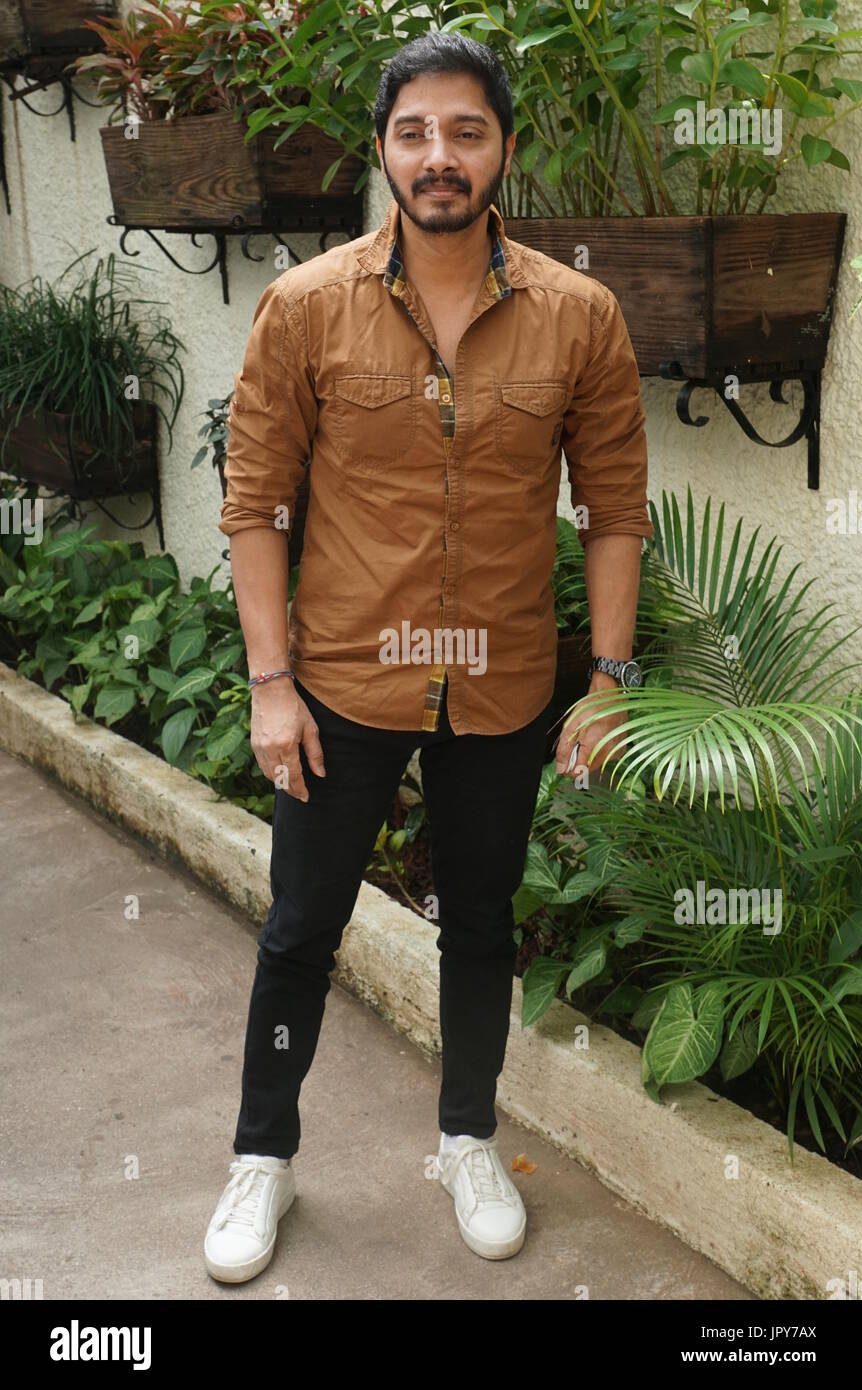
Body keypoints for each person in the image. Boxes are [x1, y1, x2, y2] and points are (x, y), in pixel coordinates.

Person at [204, 29, 653, 1283]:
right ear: (383, 150)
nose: (437, 156)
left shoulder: (580, 317)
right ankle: (262, 1157)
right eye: (413, 132)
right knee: (300, 924)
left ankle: (464, 1137)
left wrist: (607, 678)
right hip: (342, 680)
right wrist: (270, 683)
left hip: (502, 683)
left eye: (463, 130)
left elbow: (613, 510)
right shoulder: (305, 308)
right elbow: (255, 506)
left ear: (504, 148)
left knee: (478, 920)